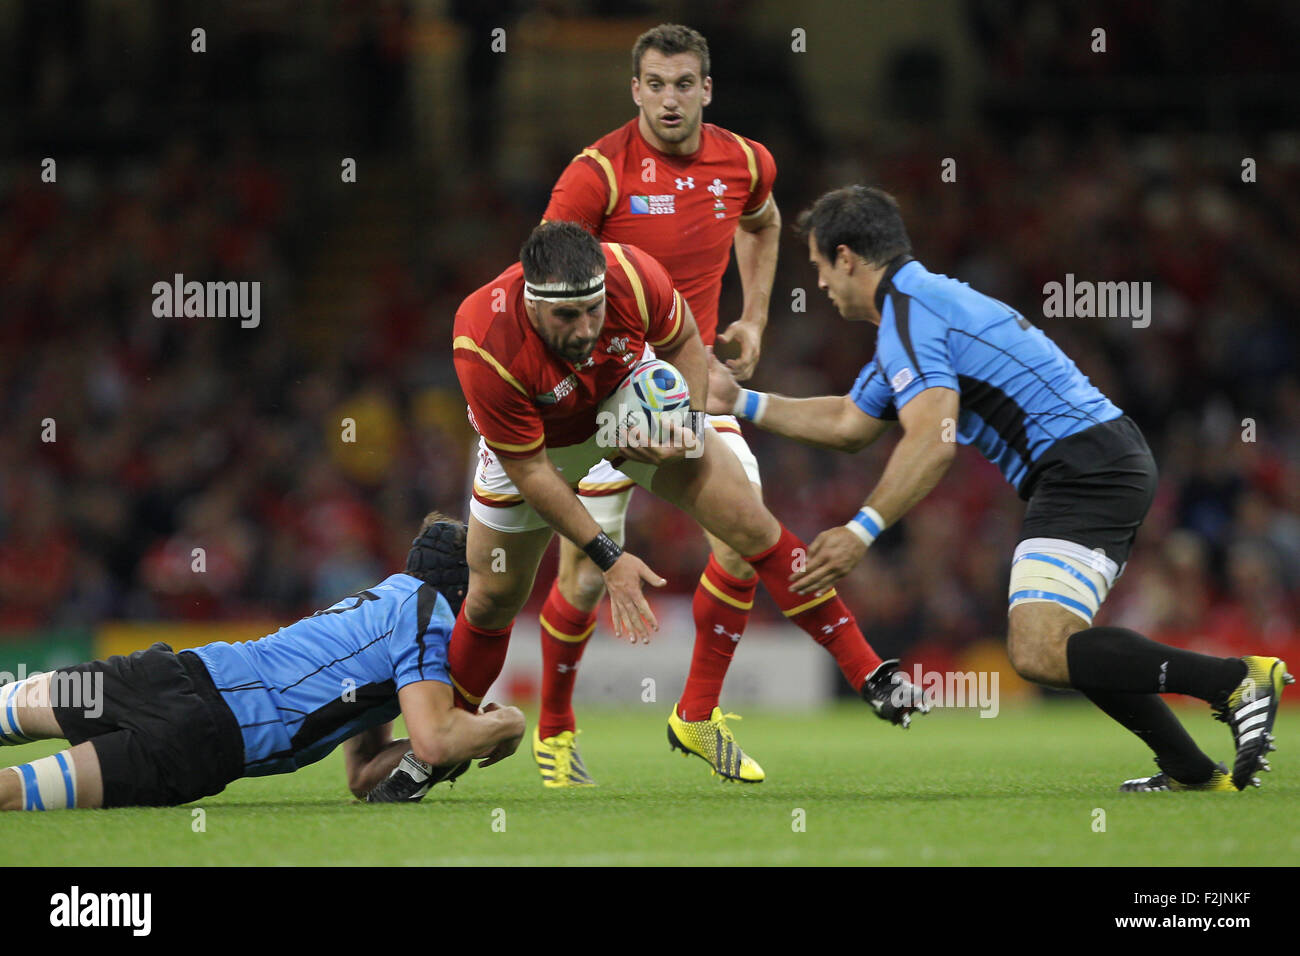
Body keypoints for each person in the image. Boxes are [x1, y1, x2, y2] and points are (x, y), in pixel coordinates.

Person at [706, 184, 1292, 792]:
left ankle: (1234, 682)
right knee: (1057, 642)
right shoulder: (916, 312)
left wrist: (862, 530)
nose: (821, 284)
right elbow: (852, 423)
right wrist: (744, 401)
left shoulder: (911, 315)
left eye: (820, 266)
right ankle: (1191, 769)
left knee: (1039, 648)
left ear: (847, 256)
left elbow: (933, 439)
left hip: (1085, 464)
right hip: (1093, 460)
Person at [421, 220, 923, 793]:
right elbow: (532, 469)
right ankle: (447, 742)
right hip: (541, 445)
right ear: (533, 302)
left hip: (628, 406)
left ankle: (868, 673)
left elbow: (685, 340)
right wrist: (612, 556)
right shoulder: (484, 337)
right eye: (567, 317)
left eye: (594, 310)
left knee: (749, 527)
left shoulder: (633, 274)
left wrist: (685, 425)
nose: (586, 328)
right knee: (493, 596)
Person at [532, 23, 786, 786]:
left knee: (745, 536)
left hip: (698, 390)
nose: (670, 99)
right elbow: (543, 289)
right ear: (635, 90)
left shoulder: (744, 161)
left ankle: (696, 716)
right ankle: (553, 728)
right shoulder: (594, 174)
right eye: (656, 84)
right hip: (610, 401)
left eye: (685, 84)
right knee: (582, 575)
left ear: (706, 89)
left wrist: (755, 318)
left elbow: (765, 223)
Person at [0, 513, 526, 810]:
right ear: (465, 583)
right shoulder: (428, 614)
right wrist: (504, 722)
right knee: (17, 793)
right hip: (205, 741)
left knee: (13, 707)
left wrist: (444, 746)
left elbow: (367, 775)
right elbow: (435, 741)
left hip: (176, 672)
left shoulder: (386, 599)